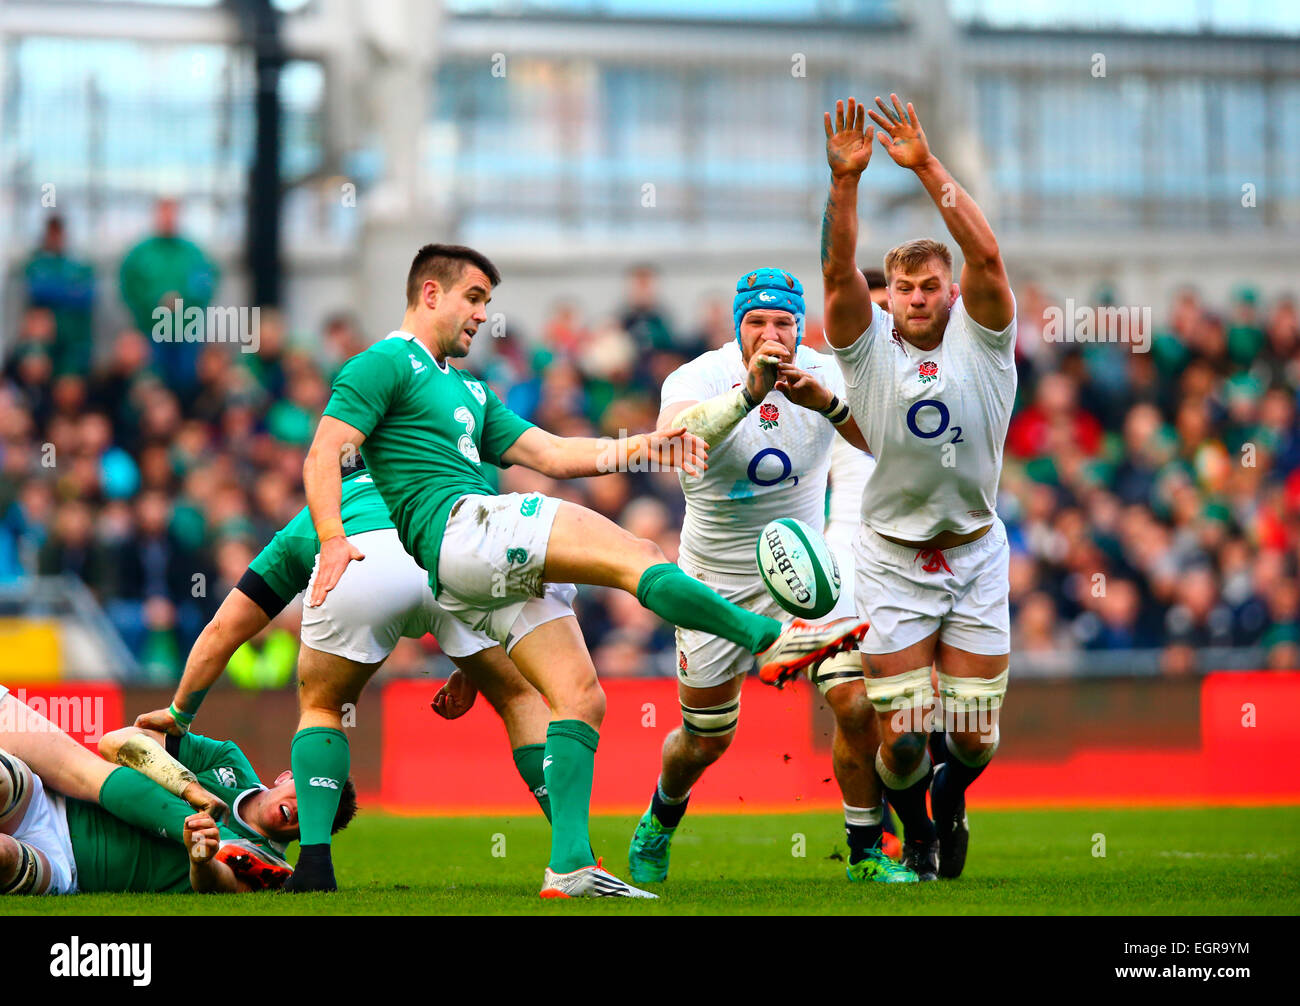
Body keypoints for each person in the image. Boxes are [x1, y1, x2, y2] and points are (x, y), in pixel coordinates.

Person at [304, 244, 868, 898]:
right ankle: (769, 639)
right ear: (430, 293)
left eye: (488, 301)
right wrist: (333, 538)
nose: (485, 315)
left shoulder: (466, 389)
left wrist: (641, 446)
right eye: (475, 298)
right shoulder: (384, 362)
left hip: (462, 568)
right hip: (466, 525)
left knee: (581, 697)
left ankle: (569, 867)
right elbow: (326, 450)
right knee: (640, 559)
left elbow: (556, 454)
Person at [136, 464, 557, 891]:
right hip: (450, 551)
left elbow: (224, 629)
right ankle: (571, 859)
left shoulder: (316, 514)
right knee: (519, 698)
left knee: (323, 707)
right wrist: (470, 669)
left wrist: (180, 712)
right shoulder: (450, 469)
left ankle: (316, 866)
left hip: (359, 559)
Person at [626, 267, 915, 884]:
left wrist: (829, 405)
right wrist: (747, 396)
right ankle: (659, 817)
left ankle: (864, 854)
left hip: (804, 576)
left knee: (855, 704)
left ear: (800, 325)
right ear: (738, 328)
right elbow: (673, 439)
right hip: (713, 581)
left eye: (782, 322)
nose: (771, 335)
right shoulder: (698, 376)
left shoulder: (827, 371)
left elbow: (884, 443)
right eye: (756, 322)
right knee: (704, 741)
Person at [820, 96, 1016, 880]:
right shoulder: (865, 354)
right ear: (889, 297)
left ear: (950, 290)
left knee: (972, 738)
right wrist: (845, 183)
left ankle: (953, 795)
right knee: (899, 735)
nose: (917, 296)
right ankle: (918, 833)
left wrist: (927, 165)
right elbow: (837, 270)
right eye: (904, 287)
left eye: (931, 283)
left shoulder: (986, 338)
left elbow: (991, 257)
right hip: (894, 559)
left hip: (973, 553)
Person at [1, 684, 331, 894]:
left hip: (65, 869)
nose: (301, 810)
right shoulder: (227, 760)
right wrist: (187, 787)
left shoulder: (268, 869)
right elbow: (116, 742)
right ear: (287, 776)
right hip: (50, 801)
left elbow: (217, 883)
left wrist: (201, 859)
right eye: (305, 795)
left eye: (315, 816)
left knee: (4, 855)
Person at [119, 197, 220, 396]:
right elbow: (128, 287)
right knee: (151, 383)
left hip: (186, 333)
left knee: (186, 382)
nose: (168, 218)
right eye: (164, 212)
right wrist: (154, 303)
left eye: (172, 212)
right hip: (150, 331)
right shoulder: (140, 253)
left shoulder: (192, 253)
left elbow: (206, 283)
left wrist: (184, 301)